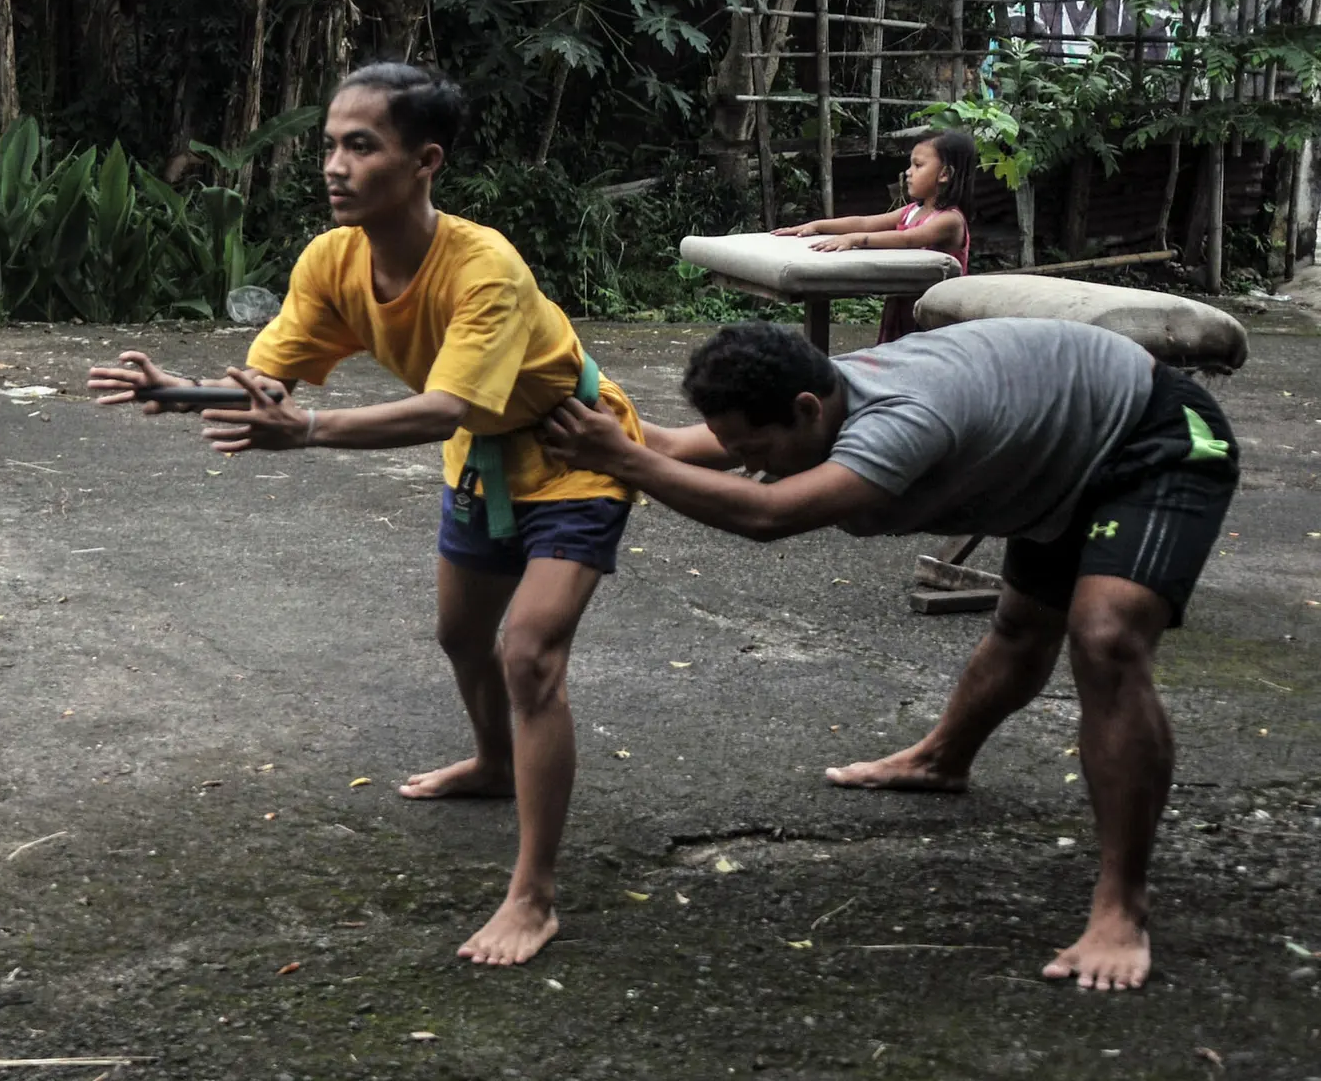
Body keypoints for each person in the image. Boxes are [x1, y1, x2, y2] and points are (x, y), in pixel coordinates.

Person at [88, 63, 646, 968]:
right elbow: (270, 380)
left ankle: (533, 895)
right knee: (461, 635)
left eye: (361, 146)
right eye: (329, 146)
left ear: (425, 162)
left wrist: (309, 433)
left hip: (577, 452)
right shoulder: (333, 260)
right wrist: (181, 391)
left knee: (530, 655)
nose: (335, 167)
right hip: (484, 465)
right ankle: (495, 765)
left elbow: (446, 407)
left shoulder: (485, 267)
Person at [539, 318, 1239, 991]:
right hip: (1061, 457)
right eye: (738, 449)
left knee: (1106, 639)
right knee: (1025, 628)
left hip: (1154, 437)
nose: (748, 464)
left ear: (807, 409)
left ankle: (1122, 906)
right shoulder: (816, 397)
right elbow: (669, 444)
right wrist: (568, 401)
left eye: (757, 450)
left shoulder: (902, 419)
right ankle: (941, 761)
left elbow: (766, 514)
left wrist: (624, 460)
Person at [771, 129, 975, 342]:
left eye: (918, 165)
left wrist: (855, 240)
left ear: (944, 174)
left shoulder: (950, 220)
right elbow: (865, 222)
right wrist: (817, 225)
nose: (908, 172)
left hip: (934, 313)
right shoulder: (911, 211)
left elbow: (908, 239)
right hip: (903, 302)